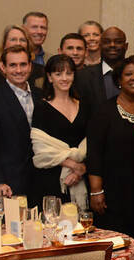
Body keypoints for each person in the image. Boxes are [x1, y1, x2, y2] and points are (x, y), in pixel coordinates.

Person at [85, 55, 134, 243]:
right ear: (119, 80)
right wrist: (96, 191)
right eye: (128, 74)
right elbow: (94, 153)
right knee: (117, 244)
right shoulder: (104, 111)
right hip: (114, 192)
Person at [30, 54, 90, 209]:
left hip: (82, 178)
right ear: (50, 78)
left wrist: (79, 171)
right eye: (58, 74)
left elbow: (92, 142)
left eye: (69, 73)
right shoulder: (41, 108)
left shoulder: (84, 105)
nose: (64, 78)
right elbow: (41, 150)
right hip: (51, 181)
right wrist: (71, 164)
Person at [0, 45, 36, 198]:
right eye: (13, 65)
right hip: (7, 183)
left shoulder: (41, 95)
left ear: (30, 66)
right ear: (2, 67)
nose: (19, 70)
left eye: (23, 64)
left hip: (39, 181)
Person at [76, 26, 128, 110]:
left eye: (118, 42)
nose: (112, 45)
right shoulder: (82, 76)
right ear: (100, 46)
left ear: (126, 46)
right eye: (107, 42)